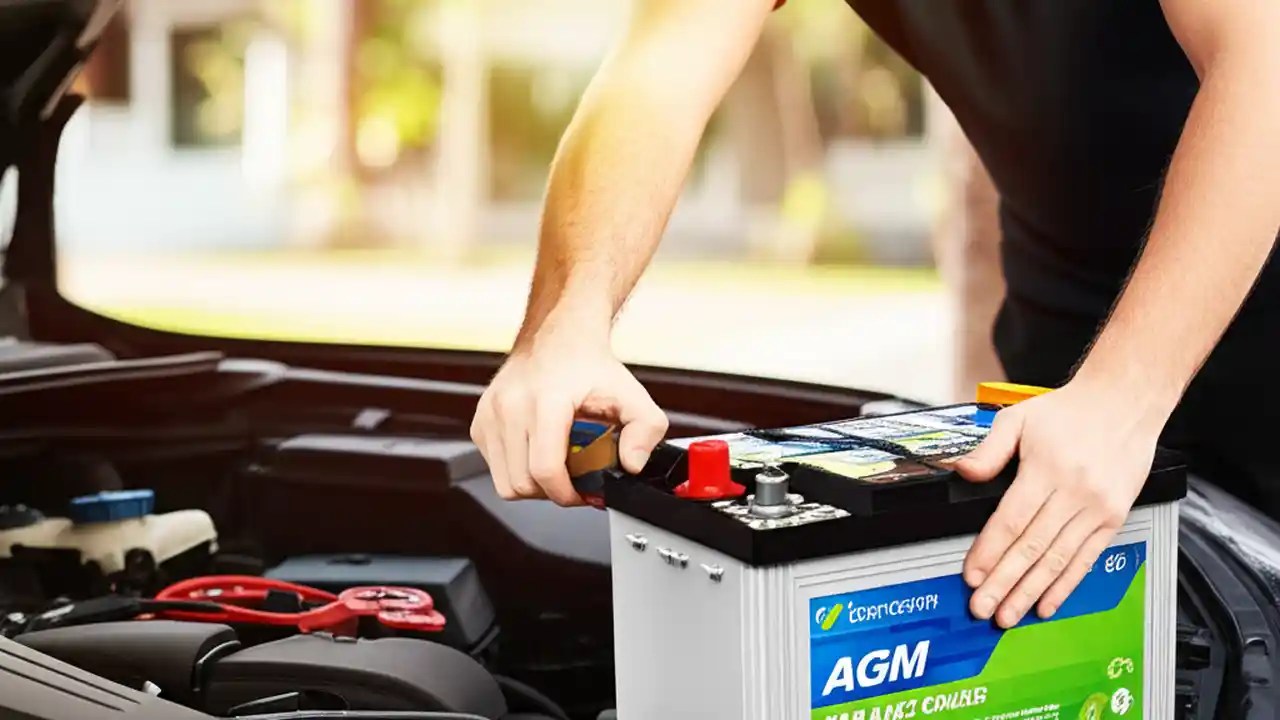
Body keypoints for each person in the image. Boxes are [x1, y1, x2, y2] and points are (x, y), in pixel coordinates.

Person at [470, 0, 1280, 631]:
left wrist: (1123, 397)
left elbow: (1264, 64)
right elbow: (657, 68)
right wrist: (567, 324)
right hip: (1069, 381)